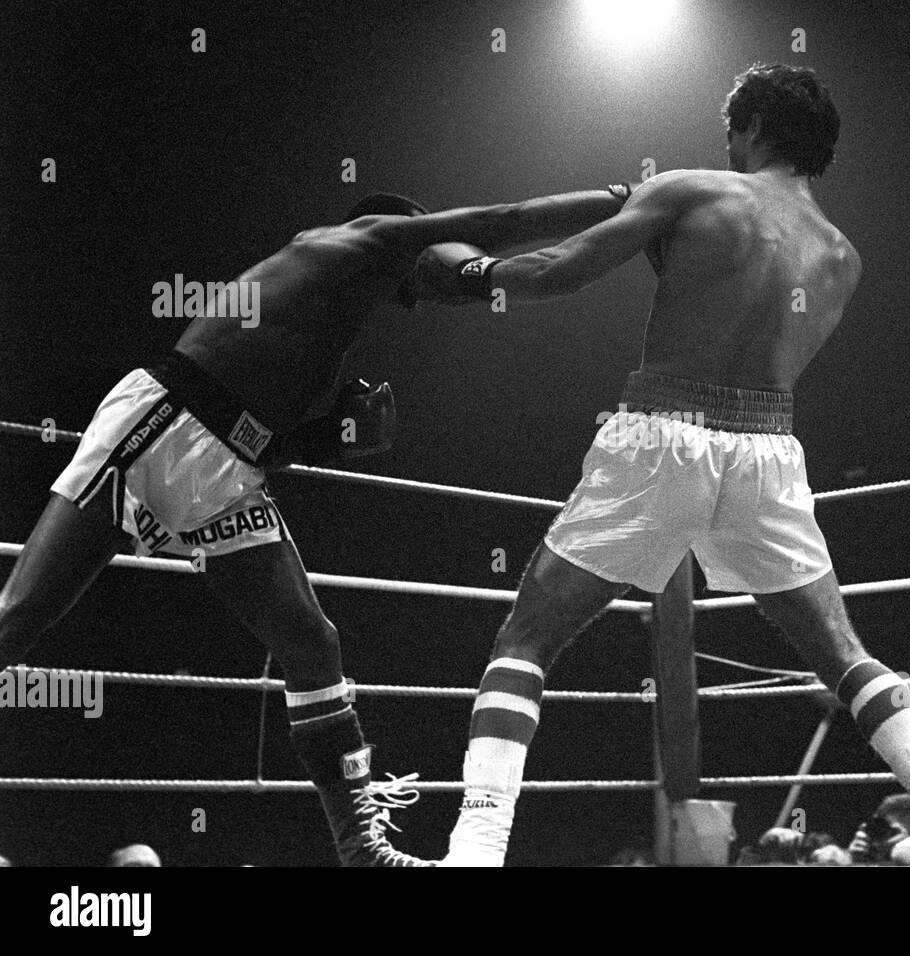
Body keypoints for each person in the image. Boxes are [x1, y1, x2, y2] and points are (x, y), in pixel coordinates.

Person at [415, 62, 910, 867]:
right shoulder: (841, 256)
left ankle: (475, 850)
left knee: (527, 637)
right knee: (844, 653)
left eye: (732, 130)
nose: (726, 144)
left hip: (664, 433)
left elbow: (557, 271)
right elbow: (746, 326)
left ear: (752, 127)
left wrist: (473, 275)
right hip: (768, 453)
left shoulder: (692, 190)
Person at [0, 185, 632, 866]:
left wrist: (333, 438)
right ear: (399, 232)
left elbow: (261, 442)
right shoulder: (348, 245)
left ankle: (362, 851)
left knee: (311, 643)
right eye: (425, 269)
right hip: (159, 430)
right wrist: (623, 200)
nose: (423, 294)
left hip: (226, 473)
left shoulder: (334, 307)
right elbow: (506, 221)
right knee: (21, 617)